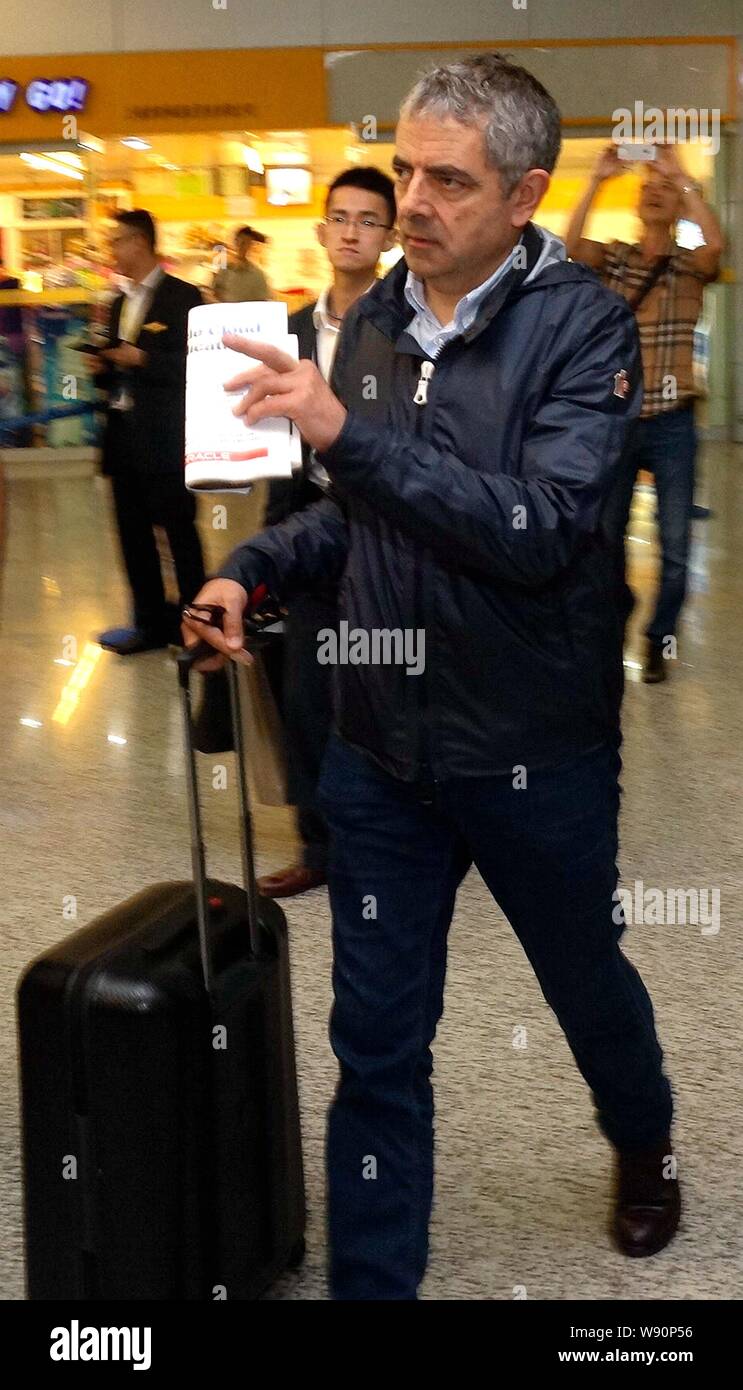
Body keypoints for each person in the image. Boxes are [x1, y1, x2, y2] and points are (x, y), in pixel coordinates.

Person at [184, 53, 679, 1300]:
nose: (409, 198)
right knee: (376, 1046)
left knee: (586, 984)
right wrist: (252, 564)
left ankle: (640, 1135)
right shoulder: (370, 322)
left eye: (444, 180)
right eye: (402, 167)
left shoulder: (583, 326)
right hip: (378, 757)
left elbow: (541, 527)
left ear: (521, 197)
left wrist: (349, 437)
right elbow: (354, 517)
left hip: (533, 749)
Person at [259, 166, 397, 899]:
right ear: (320, 231)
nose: (350, 230)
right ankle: (317, 845)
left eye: (368, 219)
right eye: (339, 216)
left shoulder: (408, 327)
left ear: (389, 235)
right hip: (311, 528)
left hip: (389, 531)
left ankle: (404, 837)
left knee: (388, 685)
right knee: (306, 692)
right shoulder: (285, 334)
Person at [565, 144, 722, 682]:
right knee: (604, 539)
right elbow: (568, 247)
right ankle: (618, 612)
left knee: (676, 544)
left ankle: (660, 638)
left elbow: (717, 245)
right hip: (620, 421)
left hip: (675, 422)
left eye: (663, 189)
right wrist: (596, 180)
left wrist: (683, 180)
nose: (653, 191)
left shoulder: (689, 267)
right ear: (635, 205)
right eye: (646, 186)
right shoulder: (615, 259)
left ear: (677, 207)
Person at [95, 210, 205, 655]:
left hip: (165, 437)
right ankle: (150, 622)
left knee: (179, 530)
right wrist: (102, 365)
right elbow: (115, 363)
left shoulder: (183, 297)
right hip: (123, 434)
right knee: (132, 532)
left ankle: (198, 620)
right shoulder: (119, 302)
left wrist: (143, 361)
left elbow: (195, 365)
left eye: (117, 241)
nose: (112, 251)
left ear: (140, 242)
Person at [213, 226, 272, 303]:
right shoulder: (224, 270)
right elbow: (216, 292)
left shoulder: (257, 274)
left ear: (249, 245)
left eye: (244, 242)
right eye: (238, 241)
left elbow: (262, 300)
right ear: (234, 242)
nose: (240, 246)